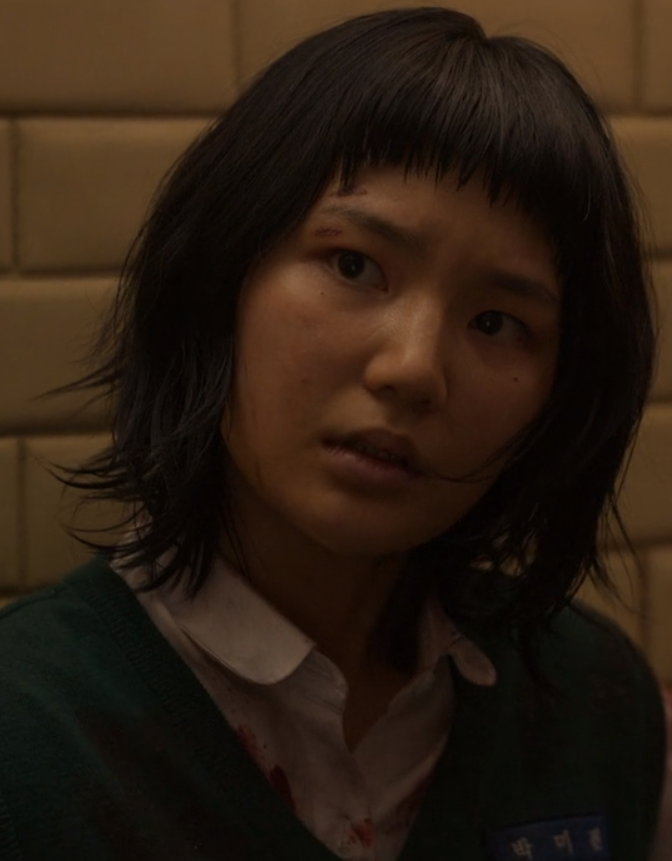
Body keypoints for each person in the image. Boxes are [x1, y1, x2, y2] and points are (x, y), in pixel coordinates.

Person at [0, 6, 666, 860]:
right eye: (354, 265)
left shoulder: (594, 700)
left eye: (497, 322)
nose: (413, 368)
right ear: (220, 274)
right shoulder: (29, 732)